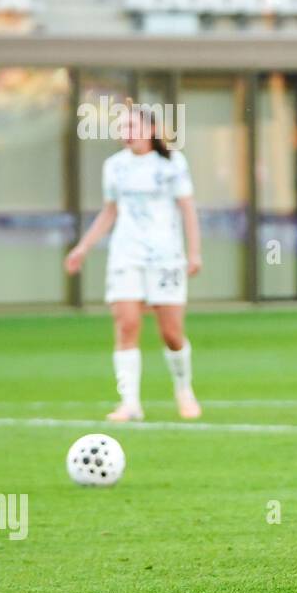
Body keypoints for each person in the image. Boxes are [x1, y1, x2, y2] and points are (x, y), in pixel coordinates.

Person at [65, 103, 202, 423]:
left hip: (166, 257)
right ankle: (129, 403)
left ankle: (184, 389)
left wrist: (194, 252)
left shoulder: (172, 164)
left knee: (171, 333)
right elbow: (110, 211)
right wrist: (83, 248)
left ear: (151, 130)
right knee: (126, 325)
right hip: (126, 256)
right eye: (122, 127)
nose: (125, 133)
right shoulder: (114, 166)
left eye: (132, 126)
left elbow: (187, 209)